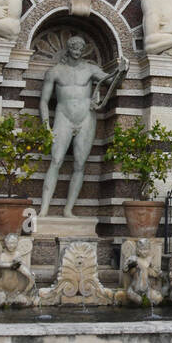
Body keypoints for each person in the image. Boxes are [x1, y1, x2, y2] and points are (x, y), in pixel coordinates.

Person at [38, 36, 124, 217]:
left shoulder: (91, 69)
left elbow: (112, 81)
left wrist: (122, 70)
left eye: (80, 48)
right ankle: (44, 209)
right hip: (63, 117)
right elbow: (44, 101)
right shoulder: (55, 71)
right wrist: (46, 124)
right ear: (68, 49)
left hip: (86, 117)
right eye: (74, 47)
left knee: (79, 163)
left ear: (83, 50)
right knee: (56, 160)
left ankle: (68, 209)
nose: (77, 51)